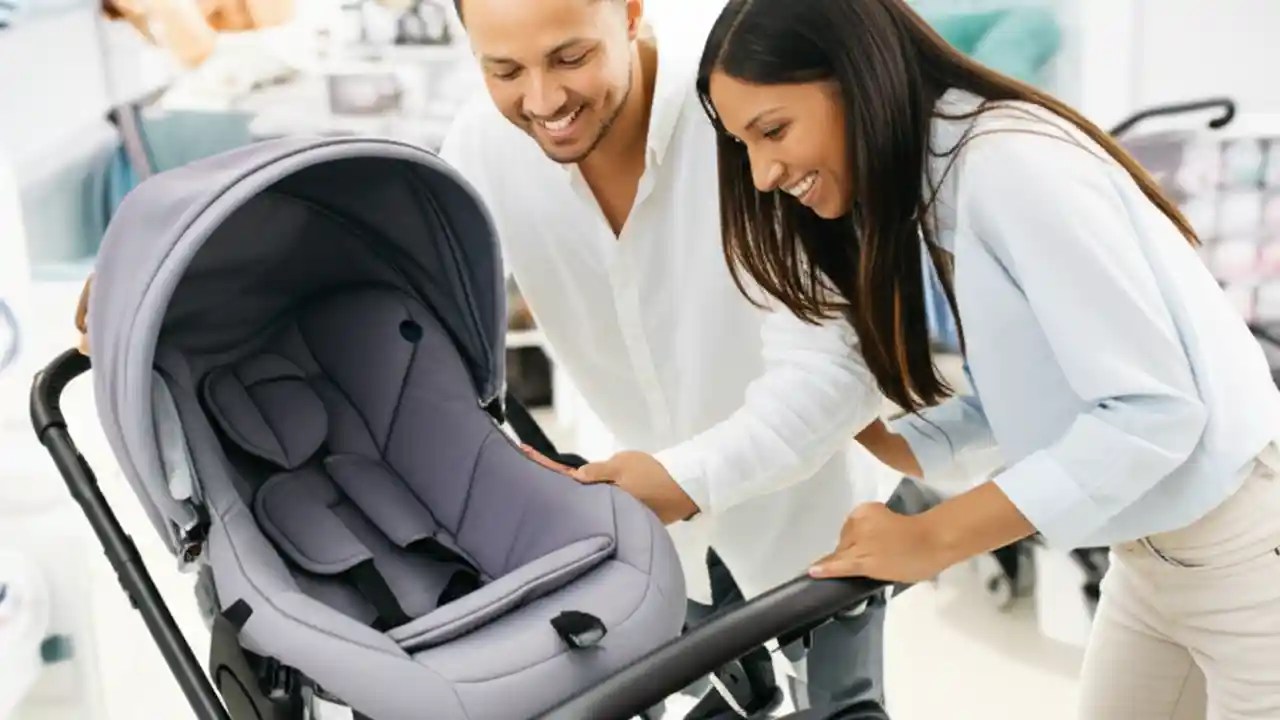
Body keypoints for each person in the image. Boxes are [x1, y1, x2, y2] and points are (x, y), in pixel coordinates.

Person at [696, 0, 1280, 718]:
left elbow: (1154, 413)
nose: (760, 174)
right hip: (1149, 553)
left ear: (856, 76)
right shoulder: (944, 178)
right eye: (743, 145)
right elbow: (1037, 378)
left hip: (1245, 554)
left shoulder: (1008, 163)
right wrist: (895, 441)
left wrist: (933, 538)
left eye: (773, 130)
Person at [437, 0, 902, 714]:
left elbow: (838, 366)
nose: (542, 99)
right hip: (639, 536)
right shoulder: (479, 150)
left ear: (628, 13)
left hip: (811, 521)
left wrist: (683, 479)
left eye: (570, 58)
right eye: (504, 69)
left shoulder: (748, 111)